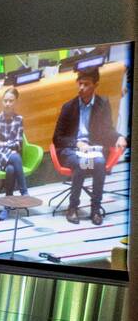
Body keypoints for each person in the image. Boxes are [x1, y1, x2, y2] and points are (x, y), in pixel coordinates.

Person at [51, 65, 126, 226]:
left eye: (86, 84)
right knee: (81, 164)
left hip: (92, 150)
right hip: (71, 150)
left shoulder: (102, 104)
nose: (82, 88)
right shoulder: (68, 107)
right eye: (80, 84)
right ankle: (73, 207)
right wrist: (76, 143)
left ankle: (95, 209)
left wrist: (119, 137)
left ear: (95, 85)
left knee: (99, 163)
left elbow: (107, 131)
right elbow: (57, 138)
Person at [0, 86, 29, 220]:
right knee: (15, 157)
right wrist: (8, 147)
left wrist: (4, 145)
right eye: (5, 101)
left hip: (11, 158)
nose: (7, 104)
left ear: (16, 102)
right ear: (2, 101)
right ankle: (24, 192)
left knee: (11, 169)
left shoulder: (19, 120)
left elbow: (18, 143)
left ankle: (6, 207)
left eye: (11, 101)